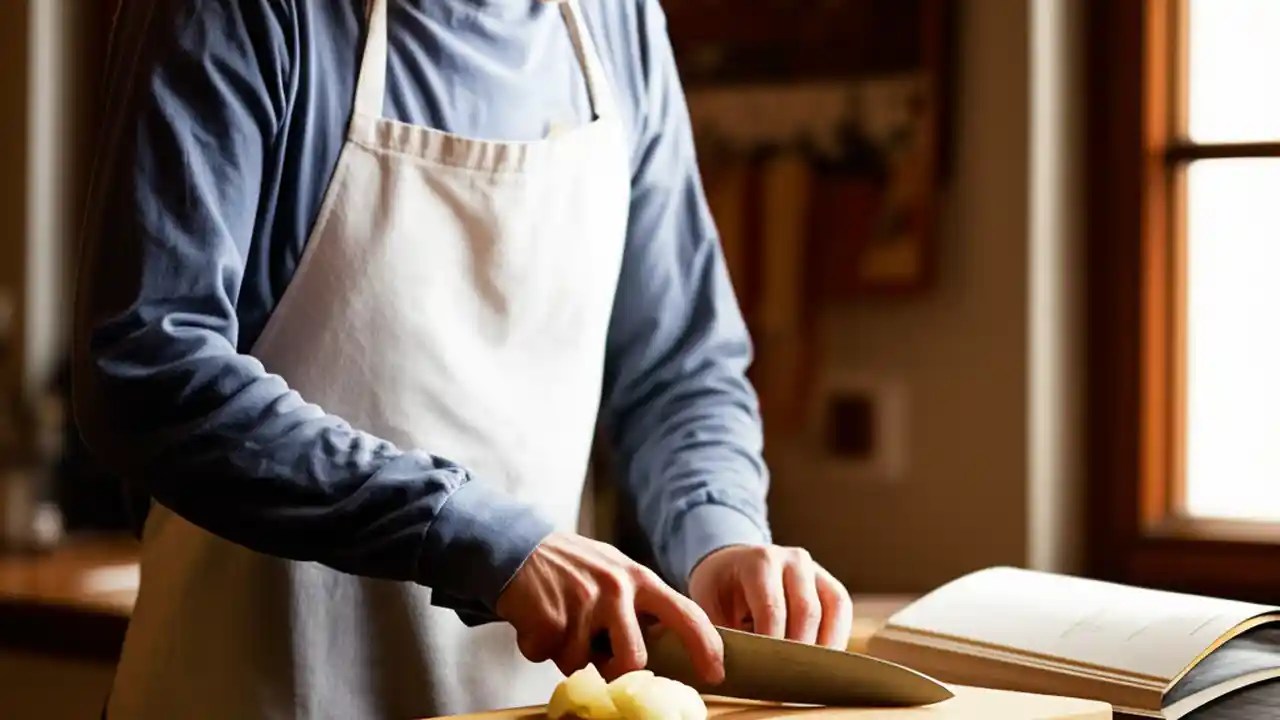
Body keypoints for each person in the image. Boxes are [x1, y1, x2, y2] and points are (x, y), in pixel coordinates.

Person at [73, 0, 853, 718]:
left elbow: (679, 368)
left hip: (516, 702)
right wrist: (483, 538)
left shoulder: (619, 22)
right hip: (251, 693)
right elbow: (147, 369)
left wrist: (719, 533)